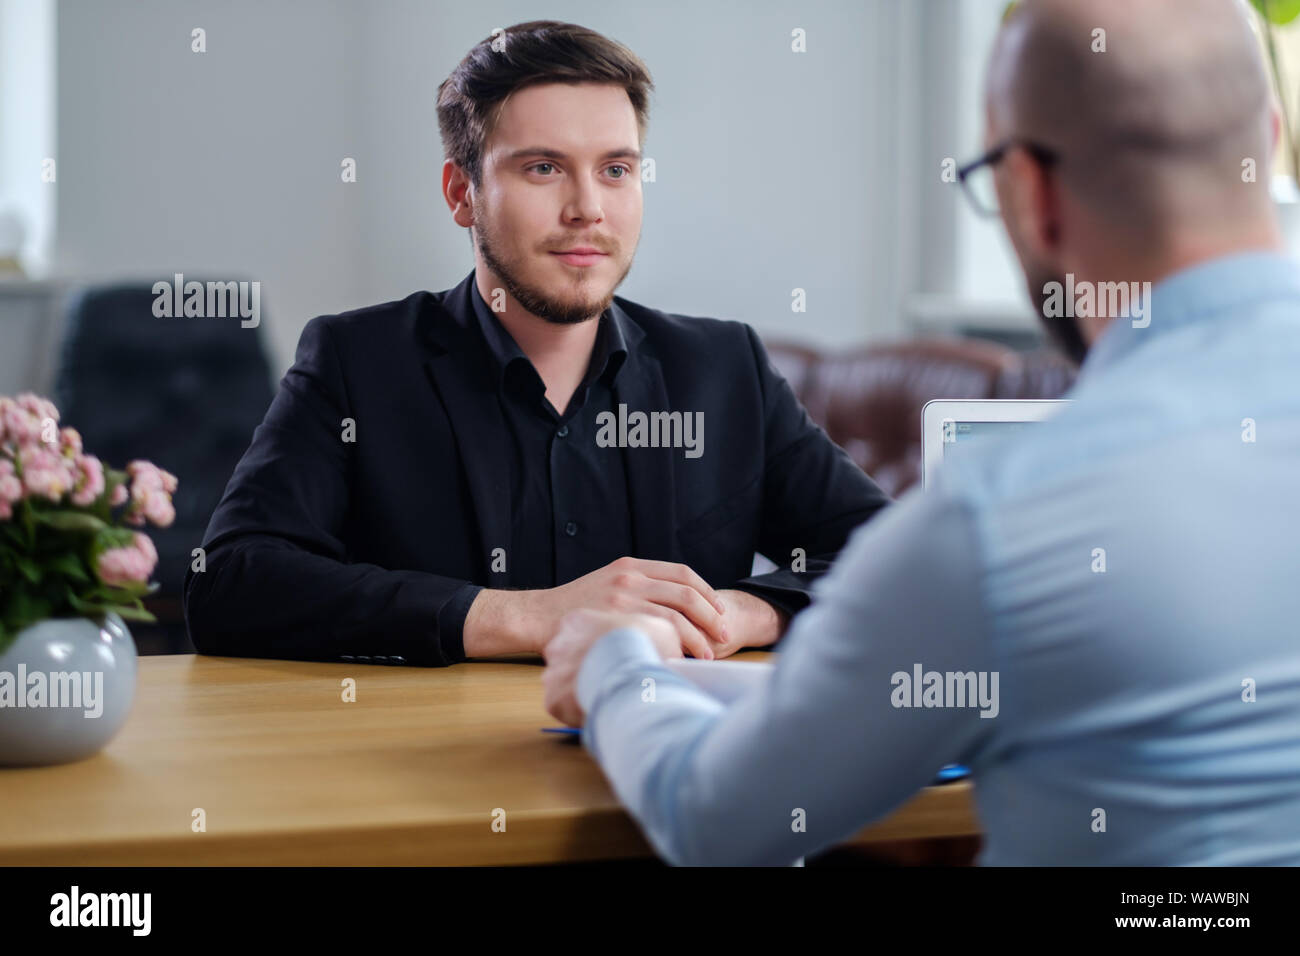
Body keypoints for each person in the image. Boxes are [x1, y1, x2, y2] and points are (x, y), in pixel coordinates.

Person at [543, 0, 1300, 865]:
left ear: (1033, 192)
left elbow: (718, 822)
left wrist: (616, 666)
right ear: (1267, 136)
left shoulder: (1001, 519)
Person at [183, 21, 889, 667]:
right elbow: (231, 582)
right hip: (426, 778)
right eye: (543, 168)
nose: (588, 208)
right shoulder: (356, 362)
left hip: (654, 769)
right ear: (462, 193)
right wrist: (521, 617)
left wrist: (741, 611)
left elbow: (891, 556)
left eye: (616, 169)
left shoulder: (724, 368)